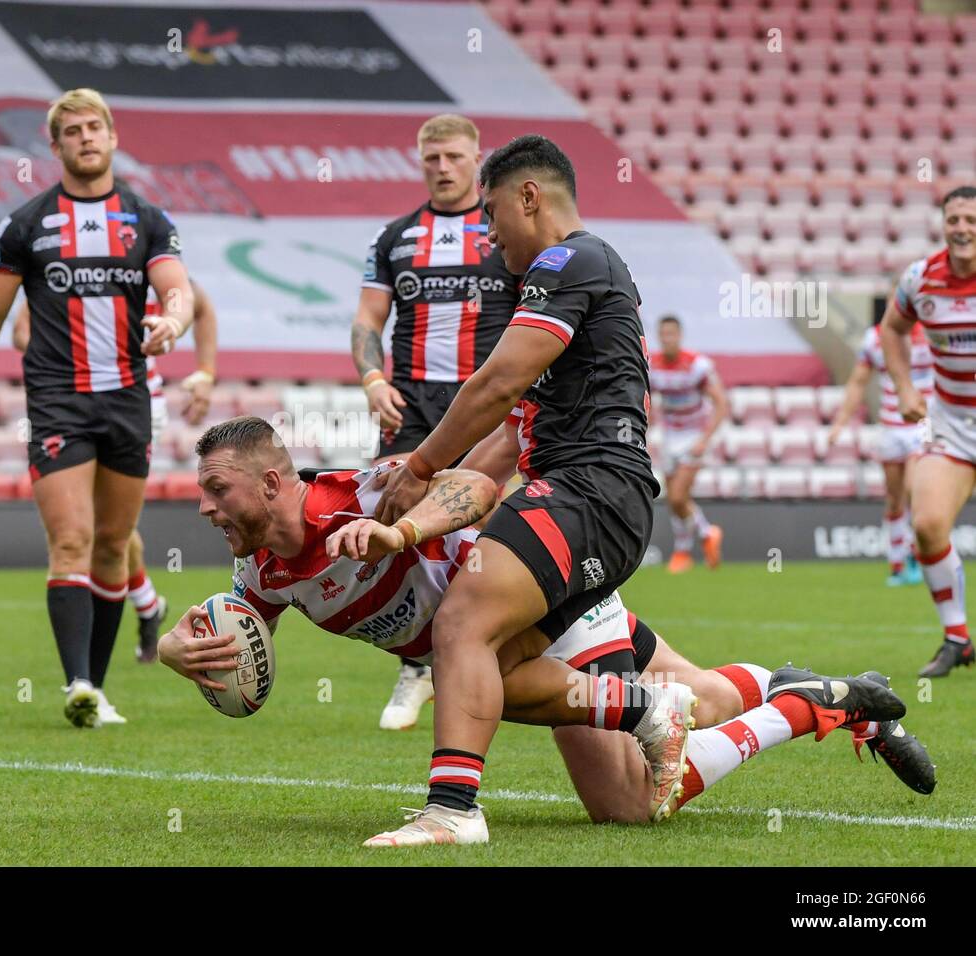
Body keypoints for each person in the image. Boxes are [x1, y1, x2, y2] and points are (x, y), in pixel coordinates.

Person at [154, 417, 921, 839]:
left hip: (550, 610)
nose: (204, 508)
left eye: (217, 490)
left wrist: (406, 526)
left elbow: (474, 484)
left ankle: (803, 709)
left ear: (273, 483)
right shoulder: (261, 574)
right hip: (518, 640)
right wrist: (170, 650)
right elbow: (234, 651)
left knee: (624, 803)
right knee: (706, 700)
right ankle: (809, 688)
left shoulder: (361, 493)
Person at [370, 134, 669, 844]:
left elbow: (494, 386)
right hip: (595, 499)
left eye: (494, 211)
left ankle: (452, 812)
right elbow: (507, 434)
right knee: (492, 667)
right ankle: (666, 708)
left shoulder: (571, 260)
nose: (487, 231)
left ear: (529, 197)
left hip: (588, 490)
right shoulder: (573, 287)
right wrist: (438, 482)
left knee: (460, 621)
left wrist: (416, 468)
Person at [0, 88, 194, 727]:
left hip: (128, 400)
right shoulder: (24, 225)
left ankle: (95, 691)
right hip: (57, 404)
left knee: (111, 544)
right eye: (71, 130)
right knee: (71, 539)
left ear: (113, 134)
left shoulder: (148, 220)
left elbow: (177, 289)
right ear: (53, 146)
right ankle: (75, 682)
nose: (84, 137)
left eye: (94, 126)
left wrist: (172, 323)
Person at [351, 114, 518, 731]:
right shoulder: (394, 238)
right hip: (414, 404)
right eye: (431, 159)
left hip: (485, 406)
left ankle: (481, 653)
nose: (442, 168)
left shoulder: (502, 230)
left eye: (453, 156)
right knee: (394, 525)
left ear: (477, 158)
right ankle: (416, 663)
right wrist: (373, 378)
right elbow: (369, 321)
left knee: (485, 532)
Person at [11, 279, 219, 662]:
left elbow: (201, 306)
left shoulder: (149, 265)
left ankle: (141, 608)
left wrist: (205, 373)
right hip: (74, 403)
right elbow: (21, 331)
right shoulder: (65, 271)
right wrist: (69, 348)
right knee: (101, 528)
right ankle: (148, 604)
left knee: (102, 528)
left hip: (134, 404)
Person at [880, 185, 976, 677]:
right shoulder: (922, 278)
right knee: (928, 524)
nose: (962, 227)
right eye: (954, 218)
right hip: (954, 425)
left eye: (970, 219)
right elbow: (891, 329)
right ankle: (958, 638)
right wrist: (905, 387)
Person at [828, 316, 933, 585]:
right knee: (894, 498)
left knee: (914, 489)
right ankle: (897, 563)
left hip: (923, 424)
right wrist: (840, 422)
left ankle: (914, 555)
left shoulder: (932, 332)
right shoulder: (875, 339)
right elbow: (858, 381)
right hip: (890, 426)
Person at [648, 315, 727, 573]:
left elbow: (721, 403)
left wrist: (704, 440)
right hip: (669, 438)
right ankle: (686, 549)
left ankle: (704, 535)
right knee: (674, 500)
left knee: (680, 496)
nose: (667, 339)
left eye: (672, 334)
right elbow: (645, 402)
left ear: (679, 336)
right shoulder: (653, 365)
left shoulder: (696, 365)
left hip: (693, 437)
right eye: (663, 334)